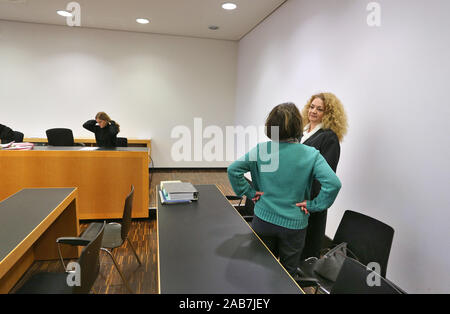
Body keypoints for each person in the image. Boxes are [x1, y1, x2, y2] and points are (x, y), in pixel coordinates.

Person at [227, 102, 342, 276]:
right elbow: (333, 184)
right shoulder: (311, 154)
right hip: (294, 226)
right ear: (297, 126)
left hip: (263, 220)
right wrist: (314, 205)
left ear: (271, 126)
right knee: (288, 275)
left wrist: (249, 193)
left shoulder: (262, 150)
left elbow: (233, 170)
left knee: (260, 269)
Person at [299, 92, 348, 260]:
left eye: (320, 109)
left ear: (328, 114)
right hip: (296, 199)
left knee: (305, 254)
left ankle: (301, 286)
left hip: (310, 203)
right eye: (312, 107)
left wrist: (312, 204)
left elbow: (325, 178)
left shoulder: (329, 138)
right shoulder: (302, 131)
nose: (313, 111)